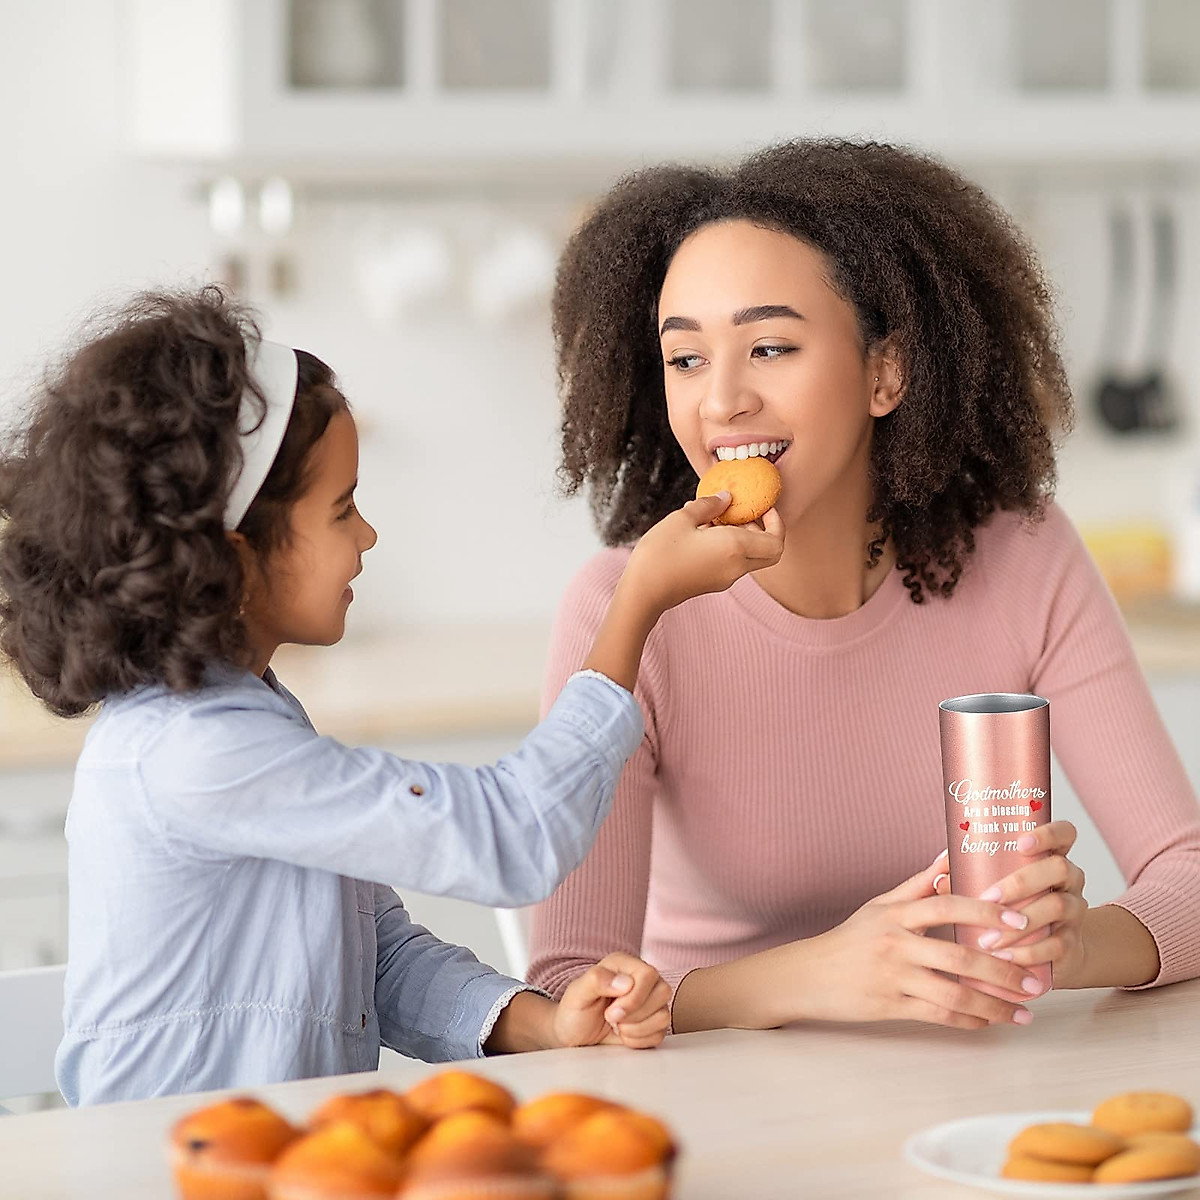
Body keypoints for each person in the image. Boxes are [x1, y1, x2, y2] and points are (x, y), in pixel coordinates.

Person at [0, 287, 783, 1103]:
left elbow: (373, 957)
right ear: (233, 561)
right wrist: (639, 600)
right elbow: (512, 837)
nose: (368, 534)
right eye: (342, 510)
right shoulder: (198, 754)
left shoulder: (248, 715)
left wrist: (539, 1023)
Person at [528, 139, 1200, 1035]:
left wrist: (1074, 949)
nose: (721, 400)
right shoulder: (626, 607)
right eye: (685, 360)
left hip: (966, 1090)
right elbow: (568, 991)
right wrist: (819, 975)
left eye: (769, 347)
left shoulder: (1025, 557)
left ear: (886, 372)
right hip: (723, 1113)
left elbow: (1187, 873)